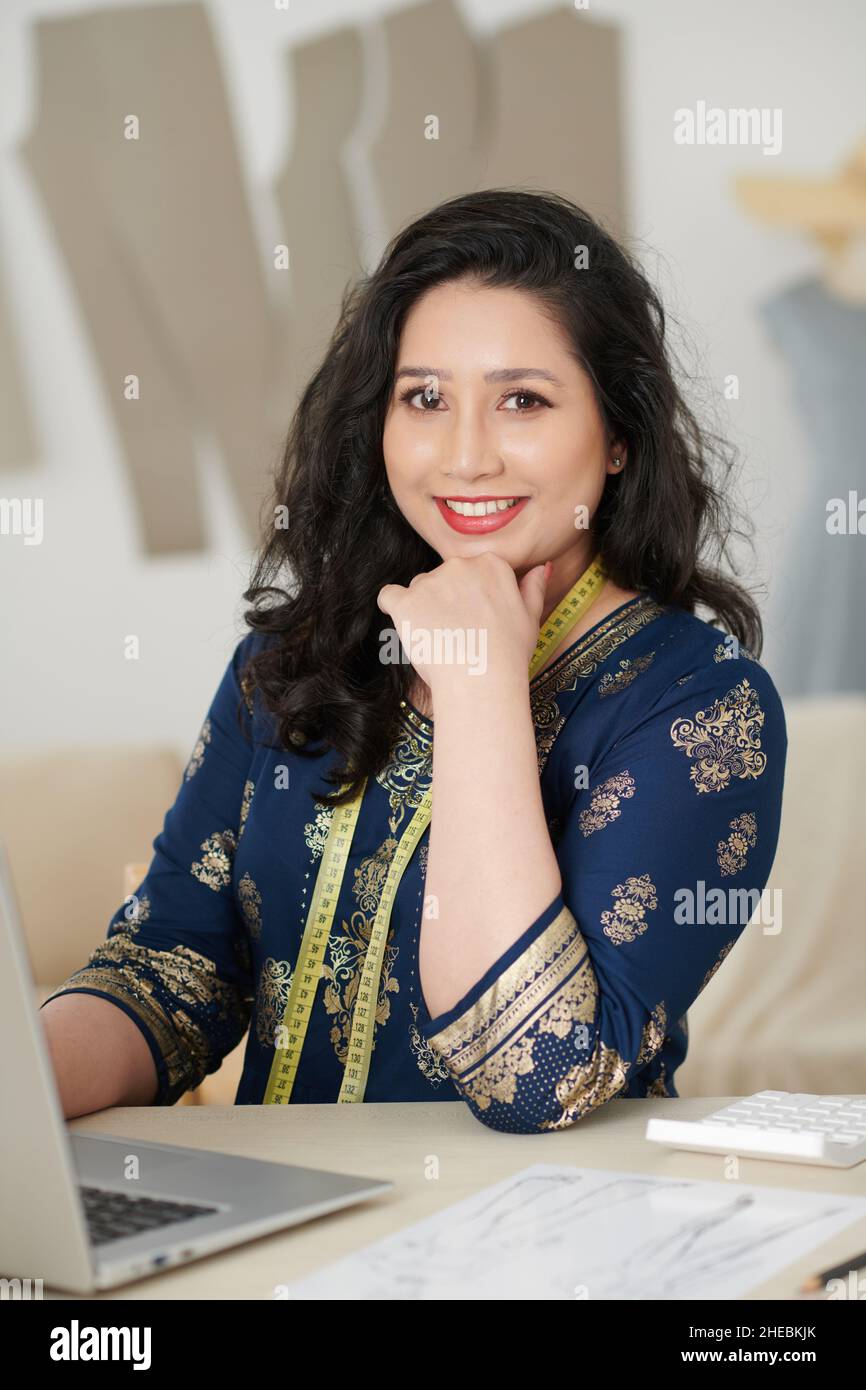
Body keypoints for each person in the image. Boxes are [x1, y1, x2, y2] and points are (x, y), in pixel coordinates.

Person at [41, 188, 787, 1133]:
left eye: (523, 399)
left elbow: (537, 1077)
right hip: (282, 1227)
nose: (465, 456)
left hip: (545, 1246)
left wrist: (479, 686)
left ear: (618, 437)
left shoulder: (701, 706)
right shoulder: (290, 661)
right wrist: (21, 1092)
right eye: (424, 398)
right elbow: (172, 973)